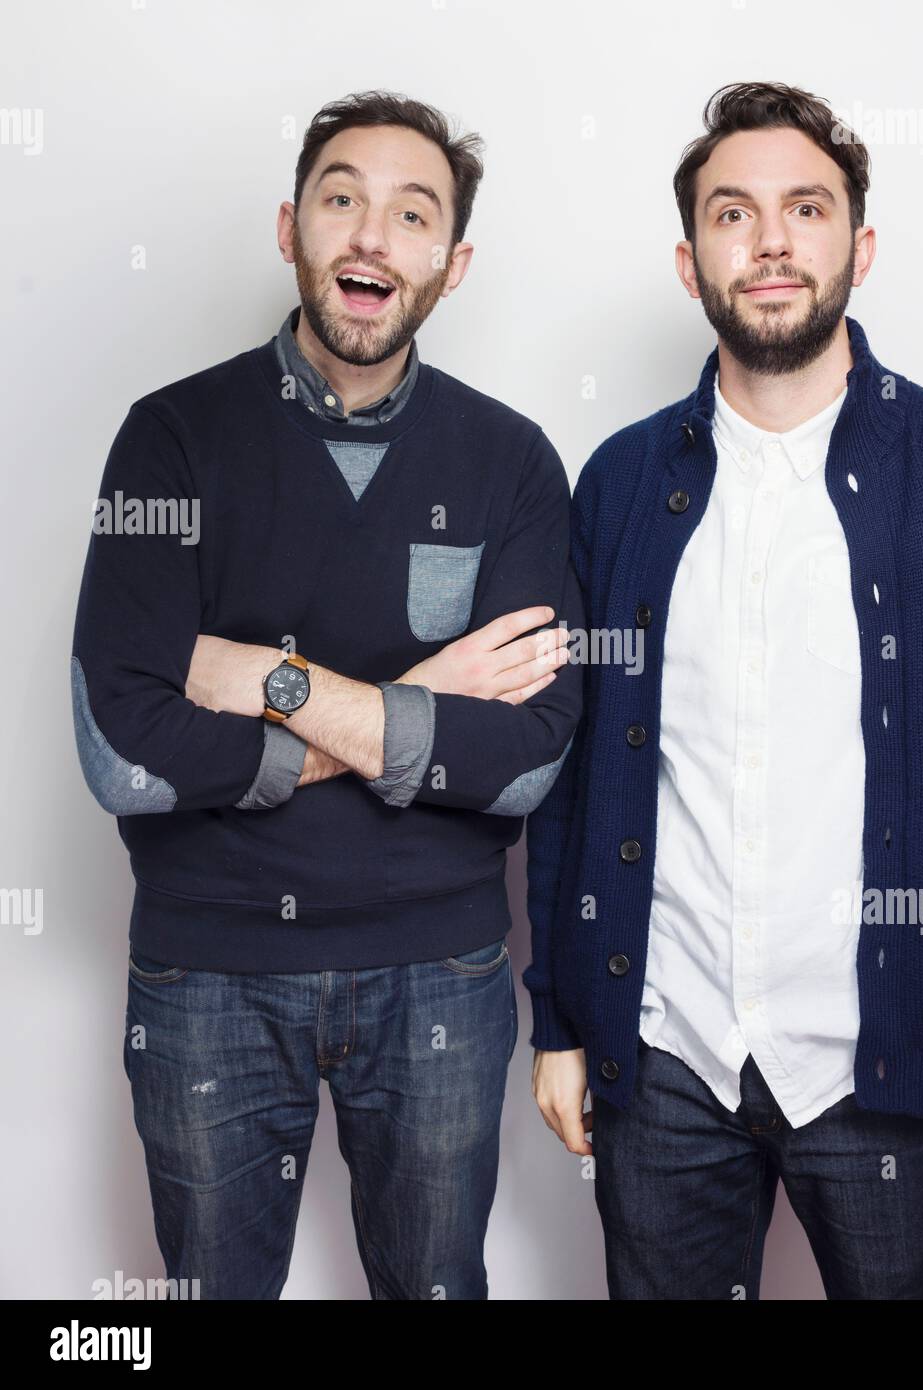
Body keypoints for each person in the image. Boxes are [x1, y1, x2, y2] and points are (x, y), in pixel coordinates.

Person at [525, 81, 923, 1300]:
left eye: (806, 207)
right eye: (732, 214)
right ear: (689, 262)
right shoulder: (621, 482)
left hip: (881, 1065)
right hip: (663, 1057)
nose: (773, 240)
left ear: (860, 244)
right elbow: (571, 771)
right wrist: (561, 1019)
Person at [71, 89, 583, 1300]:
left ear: (452, 266)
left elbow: (522, 758)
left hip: (440, 971)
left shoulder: (510, 461)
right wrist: (414, 705)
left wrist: (261, 678)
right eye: (341, 199)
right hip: (205, 972)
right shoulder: (170, 440)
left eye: (412, 215)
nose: (370, 237)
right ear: (289, 224)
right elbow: (122, 755)